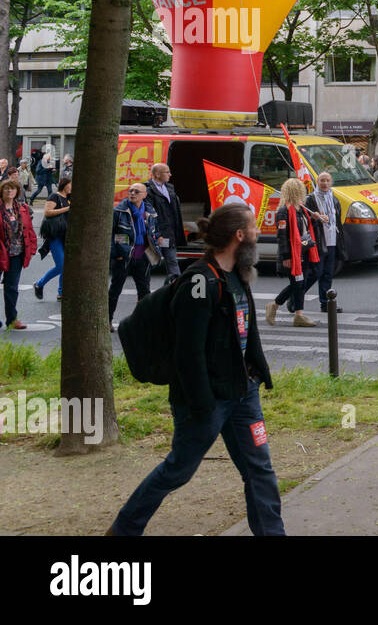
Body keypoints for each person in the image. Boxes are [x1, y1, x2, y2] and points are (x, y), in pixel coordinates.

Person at [108, 203, 283, 536]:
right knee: (178, 470)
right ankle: (124, 529)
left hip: (242, 393)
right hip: (204, 401)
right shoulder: (200, 282)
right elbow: (188, 354)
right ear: (239, 236)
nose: (259, 234)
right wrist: (203, 406)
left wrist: (256, 373)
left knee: (260, 470)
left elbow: (245, 334)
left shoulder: (237, 275)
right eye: (254, 229)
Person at [266, 178, 321, 329]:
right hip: (293, 254)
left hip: (303, 252)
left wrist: (315, 220)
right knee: (297, 283)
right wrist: (286, 256)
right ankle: (291, 311)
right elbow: (282, 236)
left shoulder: (301, 209)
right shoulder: (284, 211)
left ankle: (286, 309)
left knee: (299, 284)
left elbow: (305, 231)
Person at [108, 182, 160, 331]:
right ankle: (107, 320)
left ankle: (143, 322)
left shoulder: (150, 211)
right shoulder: (120, 211)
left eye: (137, 191)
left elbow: (154, 231)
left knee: (144, 291)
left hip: (143, 256)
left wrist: (156, 242)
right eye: (130, 190)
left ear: (144, 195)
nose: (132, 193)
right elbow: (113, 235)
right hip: (124, 257)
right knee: (115, 290)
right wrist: (119, 253)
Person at [0, 179, 36, 330]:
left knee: (12, 288)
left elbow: (28, 230)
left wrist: (32, 248)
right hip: (1, 251)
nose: (9, 191)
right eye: (6, 189)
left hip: (16, 253)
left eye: (12, 189)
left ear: (17, 191)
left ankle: (12, 319)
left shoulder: (22, 208)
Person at [306, 172, 344, 312]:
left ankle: (326, 304)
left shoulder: (333, 198)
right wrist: (315, 218)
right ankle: (297, 297)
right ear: (317, 181)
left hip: (332, 240)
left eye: (328, 180)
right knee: (316, 272)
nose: (325, 183)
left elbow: (337, 221)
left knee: (328, 273)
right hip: (318, 241)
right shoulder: (310, 198)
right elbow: (305, 220)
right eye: (322, 180)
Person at [34, 177, 71, 301]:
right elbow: (47, 212)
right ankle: (39, 284)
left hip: (66, 235)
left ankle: (61, 292)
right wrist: (67, 209)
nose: (71, 187)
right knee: (60, 265)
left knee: (66, 265)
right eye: (70, 185)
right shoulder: (54, 196)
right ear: (64, 185)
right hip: (55, 235)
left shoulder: (69, 198)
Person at [146, 163, 185, 279]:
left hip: (170, 233)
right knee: (149, 263)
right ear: (157, 174)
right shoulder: (148, 191)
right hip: (158, 234)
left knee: (172, 261)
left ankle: (176, 285)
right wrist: (157, 235)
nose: (170, 174)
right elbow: (150, 216)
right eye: (167, 172)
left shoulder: (169, 188)